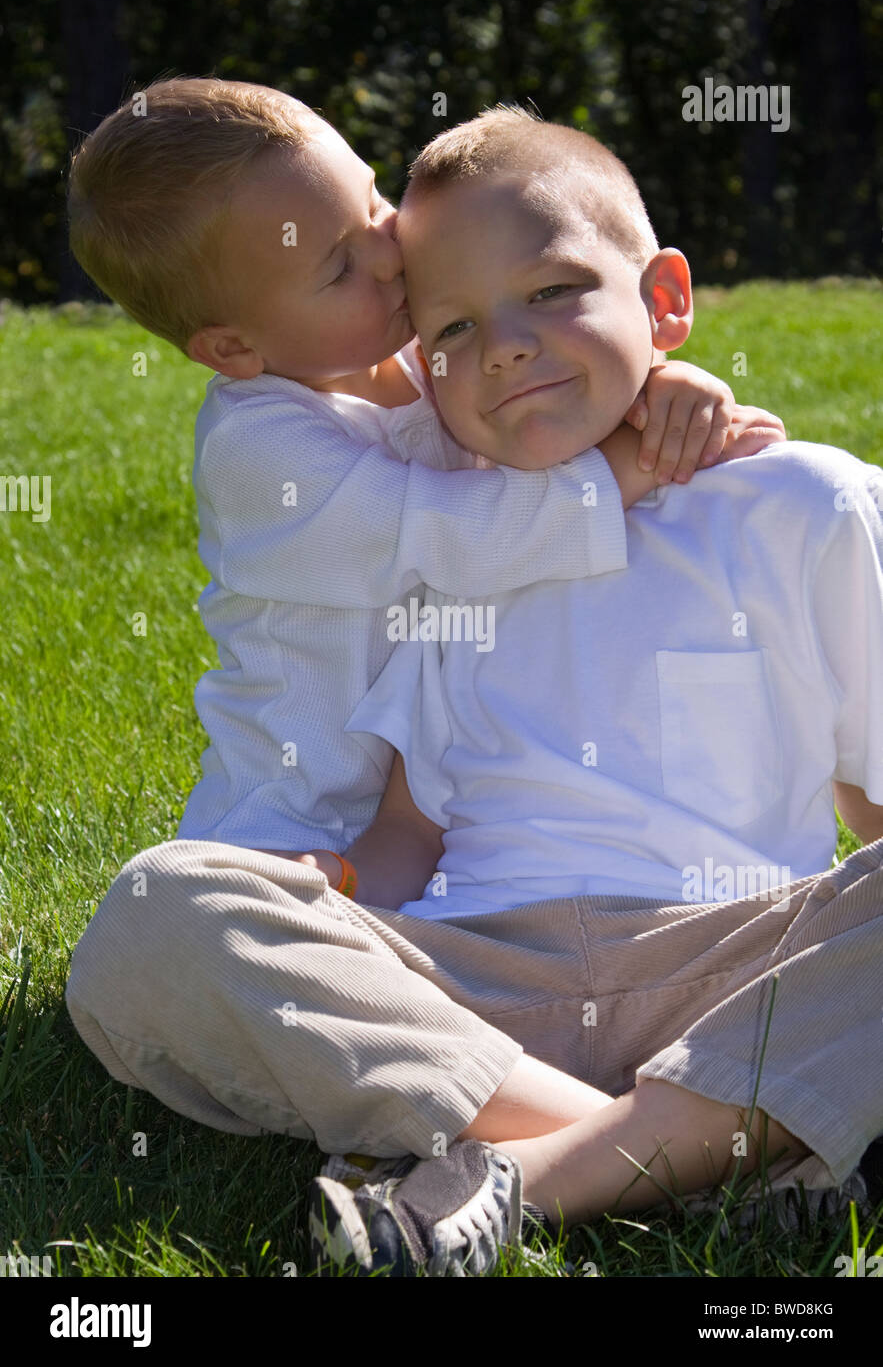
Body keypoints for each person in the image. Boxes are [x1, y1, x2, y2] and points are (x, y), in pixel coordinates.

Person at [64, 81, 792, 1277]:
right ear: (236, 347)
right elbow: (453, 528)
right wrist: (622, 465)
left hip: (495, 871)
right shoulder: (263, 450)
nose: (392, 260)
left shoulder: (401, 358)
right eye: (340, 265)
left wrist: (642, 390)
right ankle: (662, 1154)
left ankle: (559, 1153)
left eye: (368, 208)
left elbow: (529, 382)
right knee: (156, 921)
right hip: (319, 867)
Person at [293, 105, 883, 1274]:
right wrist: (331, 909)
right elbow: (410, 826)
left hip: (722, 966)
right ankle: (724, 1146)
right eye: (455, 326)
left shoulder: (807, 506)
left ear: (664, 300)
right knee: (165, 909)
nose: (505, 345)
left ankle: (507, 1184)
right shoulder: (458, 540)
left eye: (553, 290)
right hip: (473, 990)